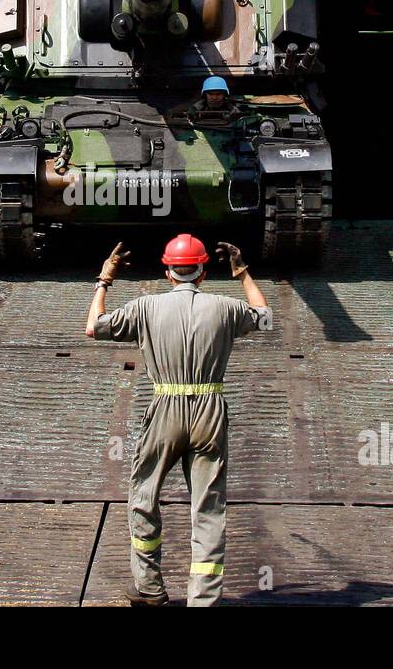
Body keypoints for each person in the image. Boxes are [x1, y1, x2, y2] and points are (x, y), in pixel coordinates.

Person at [86, 234, 271, 607]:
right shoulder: (225, 307)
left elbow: (94, 326)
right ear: (202, 273)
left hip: (165, 408)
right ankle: (203, 599)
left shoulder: (145, 307)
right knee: (208, 506)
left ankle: (150, 587)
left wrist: (105, 279)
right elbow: (265, 319)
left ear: (168, 272)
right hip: (209, 409)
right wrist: (244, 273)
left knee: (143, 496)